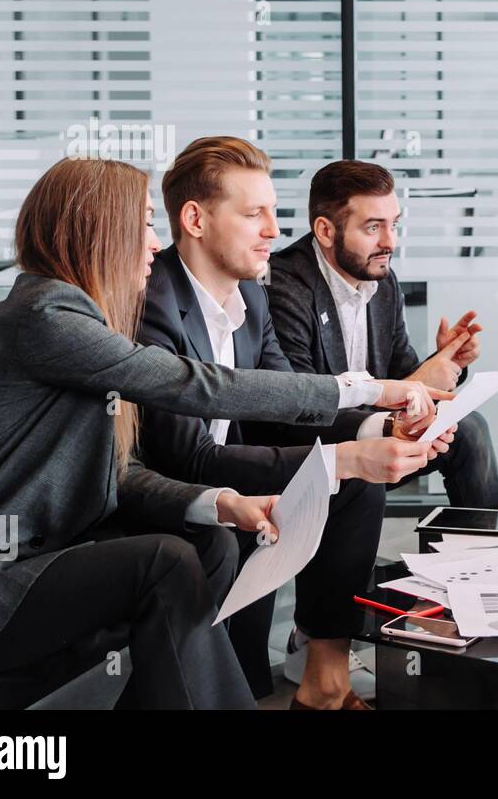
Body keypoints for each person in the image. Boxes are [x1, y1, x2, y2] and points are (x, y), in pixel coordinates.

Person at [0, 157, 427, 708]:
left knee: (206, 540)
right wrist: (365, 389)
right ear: (99, 231)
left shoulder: (78, 319)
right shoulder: (46, 314)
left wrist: (220, 503)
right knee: (164, 561)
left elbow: (119, 473)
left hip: (34, 555)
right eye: (142, 225)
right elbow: (199, 386)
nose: (155, 244)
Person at [137, 136, 455, 709]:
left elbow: (288, 405)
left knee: (359, 484)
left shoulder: (248, 298)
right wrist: (348, 453)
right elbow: (188, 461)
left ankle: (324, 683)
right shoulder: (153, 305)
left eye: (274, 213)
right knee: (336, 479)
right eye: (254, 213)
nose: (273, 230)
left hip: (232, 469)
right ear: (196, 219)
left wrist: (379, 432)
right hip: (181, 491)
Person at [266, 160, 498, 509]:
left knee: (469, 430)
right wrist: (417, 387)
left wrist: (445, 363)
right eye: (373, 227)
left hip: (382, 429)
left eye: (394, 224)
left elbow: (401, 372)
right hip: (316, 445)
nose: (389, 242)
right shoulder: (286, 288)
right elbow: (300, 410)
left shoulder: (382, 281)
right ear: (326, 231)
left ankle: (487, 555)